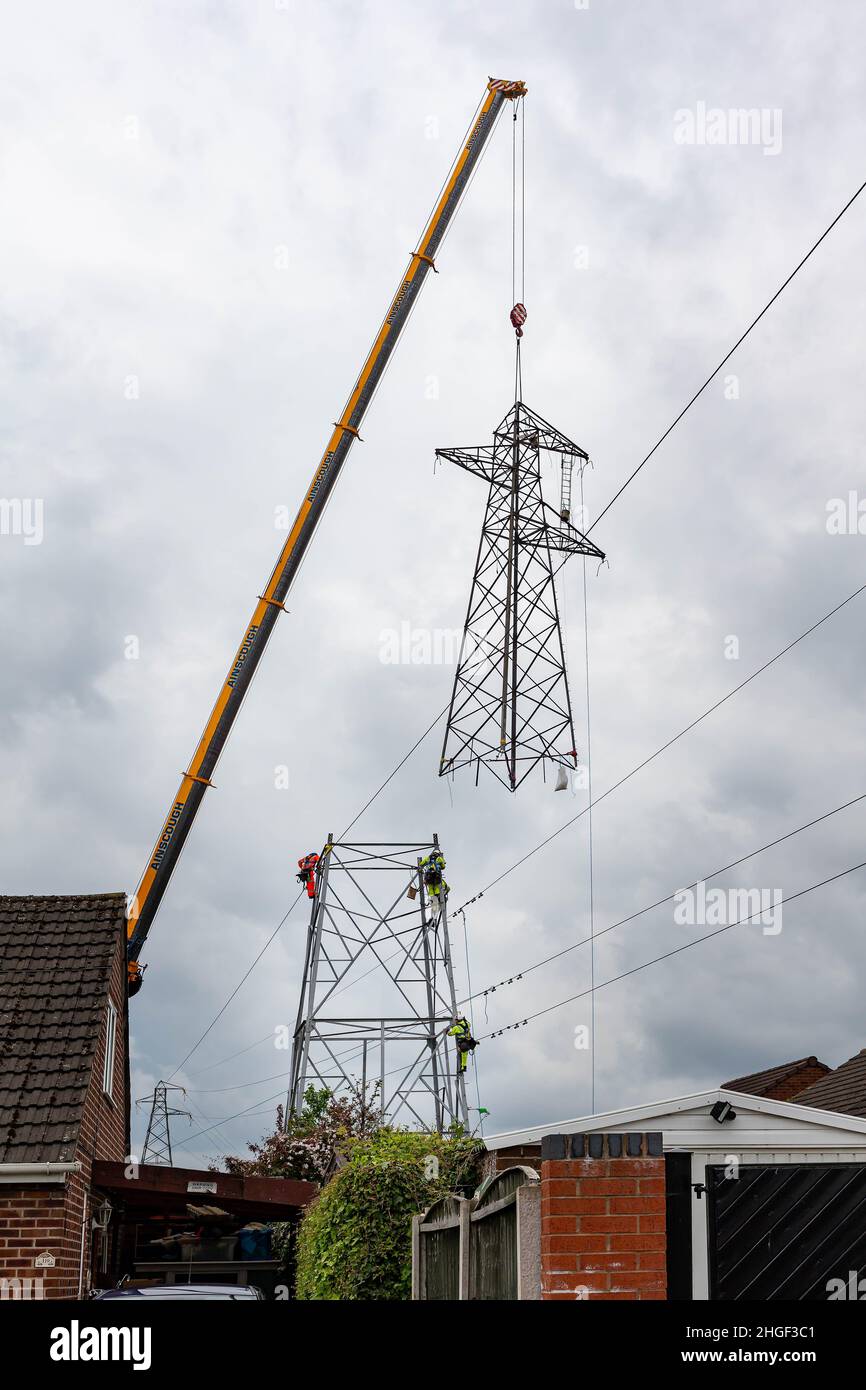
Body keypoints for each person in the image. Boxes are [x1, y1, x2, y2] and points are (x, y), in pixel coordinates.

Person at [420, 849, 449, 915]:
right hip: (436, 876)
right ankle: (438, 898)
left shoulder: (428, 858)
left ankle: (433, 899)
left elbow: (421, 864)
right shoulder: (439, 858)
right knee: (436, 887)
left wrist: (420, 869)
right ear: (438, 854)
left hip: (428, 877)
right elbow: (443, 867)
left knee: (430, 888)